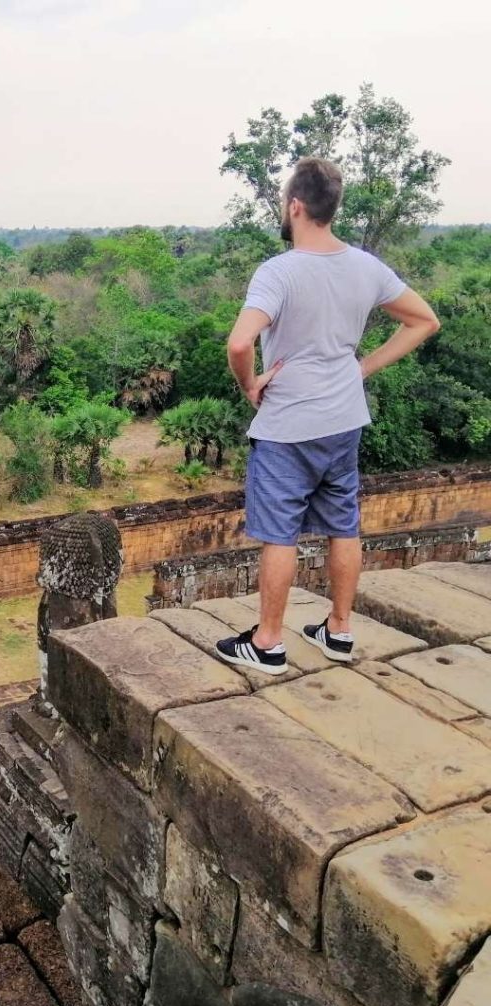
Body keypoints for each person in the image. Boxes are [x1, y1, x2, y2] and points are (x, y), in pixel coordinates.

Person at [215, 157, 441, 675]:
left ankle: (268, 641)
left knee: (280, 534)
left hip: (289, 424)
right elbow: (424, 320)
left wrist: (250, 383)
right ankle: (338, 629)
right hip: (343, 419)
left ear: (295, 206)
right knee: (344, 525)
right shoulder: (365, 266)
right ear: (331, 207)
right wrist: (360, 368)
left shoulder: (280, 271)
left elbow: (240, 341)